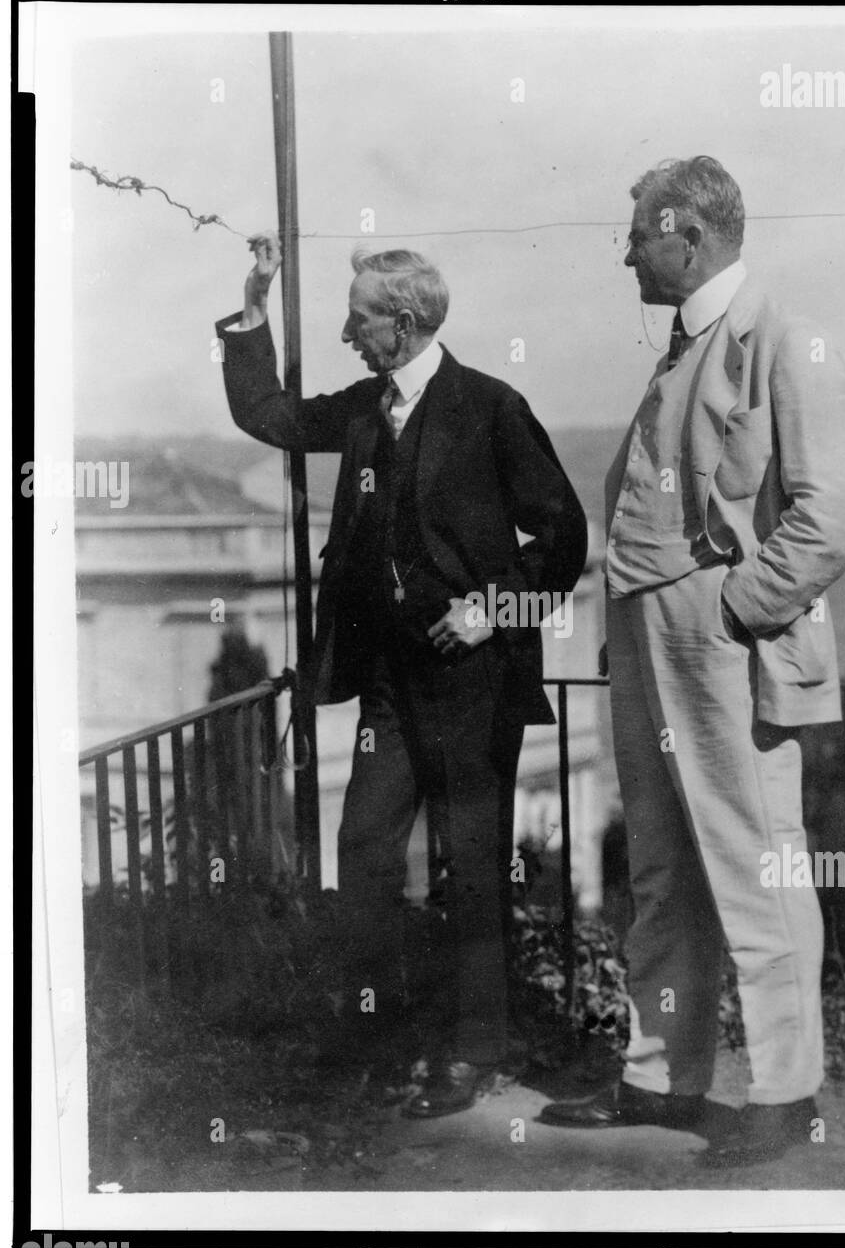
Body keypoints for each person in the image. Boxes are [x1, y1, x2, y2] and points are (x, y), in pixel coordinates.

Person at [538, 156, 845, 1166]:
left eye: (637, 230)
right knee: (659, 865)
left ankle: (784, 1093)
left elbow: (833, 514)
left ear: (686, 232)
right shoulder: (686, 342)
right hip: (646, 640)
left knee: (754, 861)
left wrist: (734, 608)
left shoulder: (779, 338)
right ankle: (659, 1075)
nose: (627, 249)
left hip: (723, 646)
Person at [216, 238, 587, 1118]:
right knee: (367, 852)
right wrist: (253, 310)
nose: (346, 331)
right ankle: (374, 1039)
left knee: (470, 865)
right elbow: (269, 416)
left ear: (406, 323)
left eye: (359, 317)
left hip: (472, 684)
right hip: (385, 684)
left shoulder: (490, 409)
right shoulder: (358, 411)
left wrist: (492, 607)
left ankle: (472, 1054)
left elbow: (563, 534)